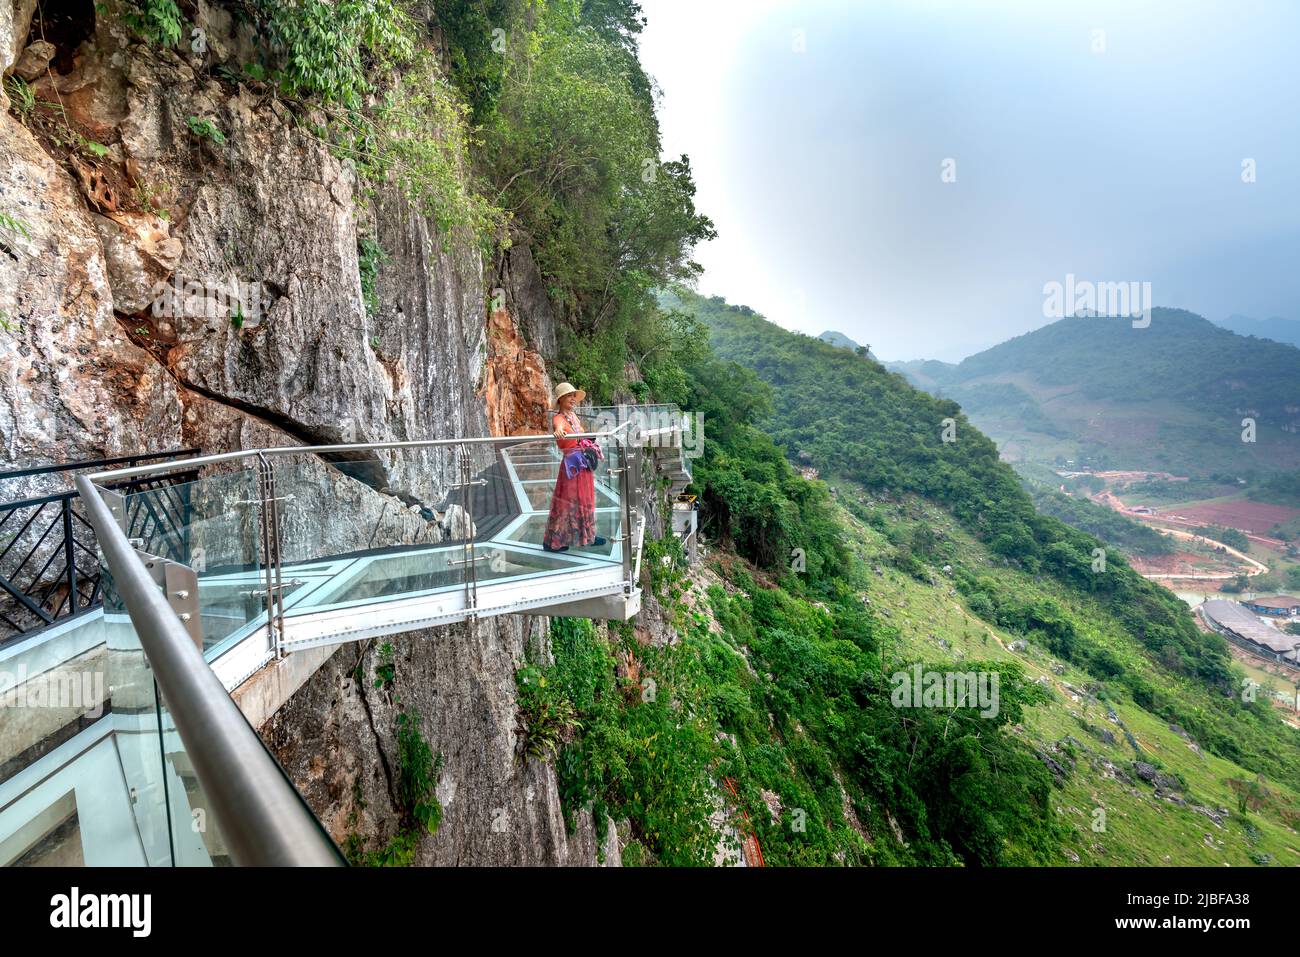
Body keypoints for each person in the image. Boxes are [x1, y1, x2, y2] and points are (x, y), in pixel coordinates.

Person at [542, 383, 607, 552]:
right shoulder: (559, 418)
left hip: (582, 463)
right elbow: (558, 428)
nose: (573, 399)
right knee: (568, 502)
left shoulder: (573, 416)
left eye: (573, 396)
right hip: (572, 466)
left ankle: (588, 536)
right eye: (569, 396)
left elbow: (579, 435)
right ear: (560, 399)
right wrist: (558, 431)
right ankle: (554, 542)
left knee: (585, 500)